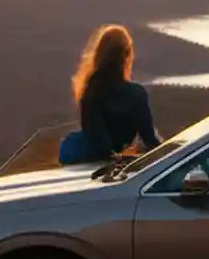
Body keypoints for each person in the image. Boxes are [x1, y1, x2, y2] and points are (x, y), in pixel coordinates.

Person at [59, 24, 162, 165]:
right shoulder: (136, 94)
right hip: (104, 165)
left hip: (83, 164)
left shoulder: (91, 90)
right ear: (127, 55)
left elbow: (95, 135)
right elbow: (150, 140)